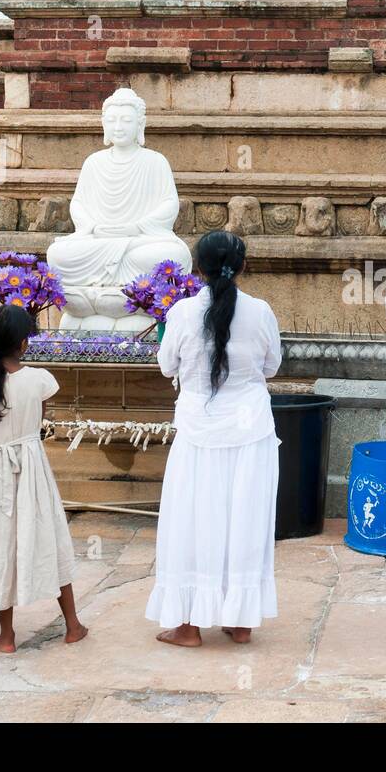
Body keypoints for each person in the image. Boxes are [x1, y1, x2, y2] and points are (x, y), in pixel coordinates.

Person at [146, 230, 282, 647]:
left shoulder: (182, 313)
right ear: (243, 267)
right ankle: (240, 622)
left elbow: (167, 366)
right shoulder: (260, 312)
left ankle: (188, 627)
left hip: (198, 431)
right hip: (249, 430)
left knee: (190, 522)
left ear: (197, 269)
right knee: (245, 521)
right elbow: (272, 366)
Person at [0, 305, 86, 653]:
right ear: (24, 344)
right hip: (31, 471)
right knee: (50, 538)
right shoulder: (39, 379)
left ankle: (6, 635)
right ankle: (72, 625)